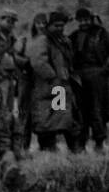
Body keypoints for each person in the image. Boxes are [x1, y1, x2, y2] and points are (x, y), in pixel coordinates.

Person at [28, 8, 79, 152]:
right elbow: (38, 62)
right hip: (48, 87)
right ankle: (47, 150)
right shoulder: (44, 40)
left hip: (61, 86)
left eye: (62, 25)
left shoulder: (63, 41)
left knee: (61, 118)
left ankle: (68, 150)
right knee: (48, 120)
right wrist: (53, 76)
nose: (60, 28)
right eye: (56, 25)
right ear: (49, 26)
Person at [70, 6, 109, 153]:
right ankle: (81, 143)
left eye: (86, 19)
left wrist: (106, 70)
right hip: (78, 77)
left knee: (98, 110)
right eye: (80, 20)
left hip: (97, 75)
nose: (84, 23)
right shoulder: (73, 36)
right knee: (81, 111)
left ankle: (100, 142)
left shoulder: (101, 33)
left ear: (91, 19)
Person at [14, 13, 47, 152]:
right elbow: (15, 56)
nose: (41, 26)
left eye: (44, 23)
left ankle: (45, 145)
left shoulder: (49, 40)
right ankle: (24, 146)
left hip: (43, 80)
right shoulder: (25, 39)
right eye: (38, 23)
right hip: (26, 80)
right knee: (24, 114)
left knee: (44, 112)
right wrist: (26, 64)